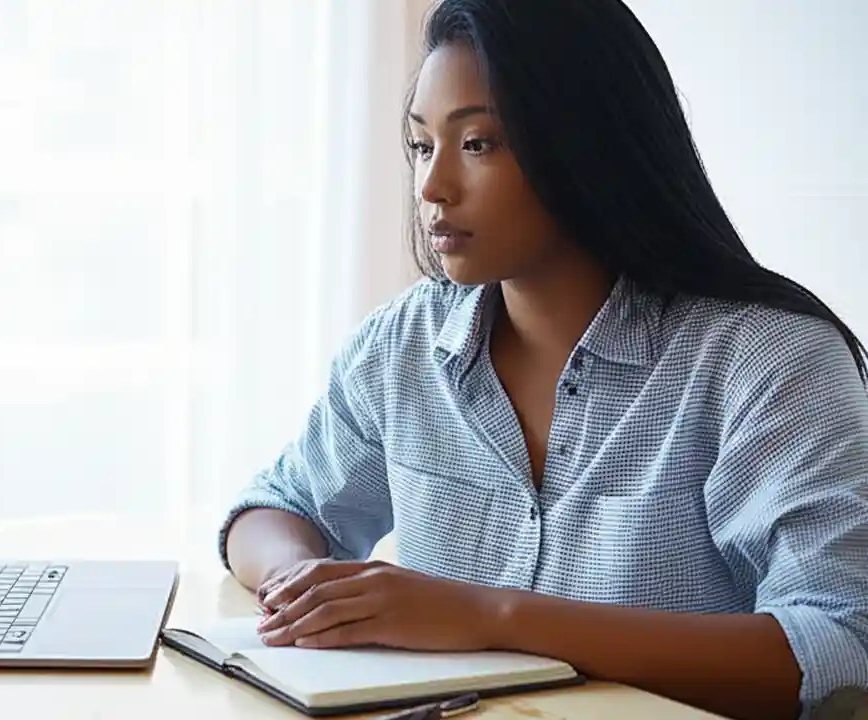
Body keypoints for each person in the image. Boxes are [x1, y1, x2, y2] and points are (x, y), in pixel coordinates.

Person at [218, 2, 868, 719]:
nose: (433, 187)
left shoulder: (771, 362)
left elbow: (835, 644)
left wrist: (491, 616)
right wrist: (302, 587)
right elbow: (276, 507)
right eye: (421, 145)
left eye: (478, 144)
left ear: (588, 146)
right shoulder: (404, 343)